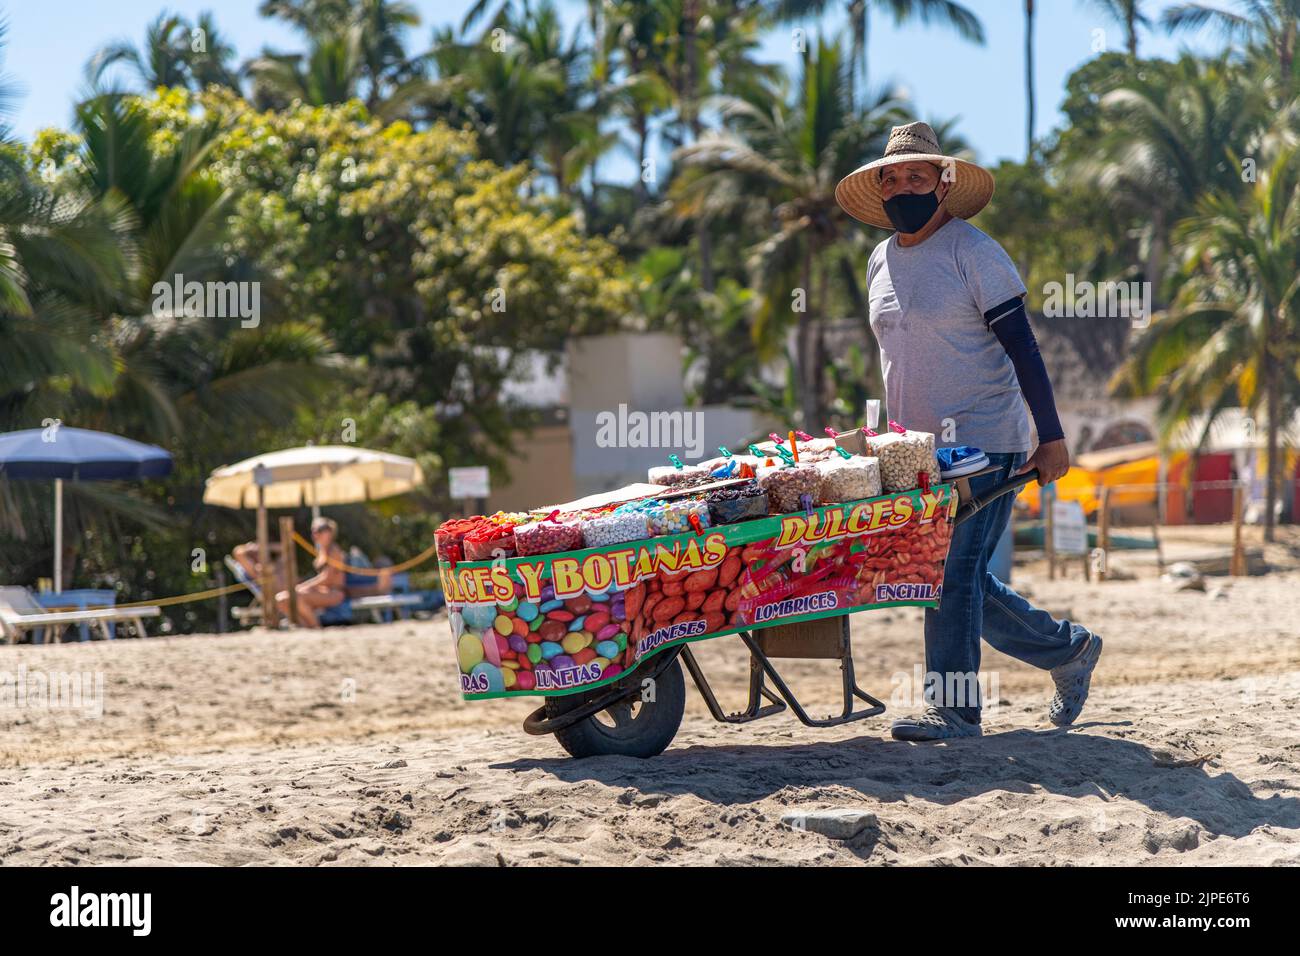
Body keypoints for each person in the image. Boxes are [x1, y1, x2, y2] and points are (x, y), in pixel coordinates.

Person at [835, 121, 1104, 741]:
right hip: (918, 452)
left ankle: (955, 709)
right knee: (953, 574)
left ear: (942, 183)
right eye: (893, 177)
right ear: (880, 187)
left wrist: (1052, 438)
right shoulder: (879, 259)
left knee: (950, 572)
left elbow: (1025, 351)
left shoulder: (973, 253)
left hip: (988, 439)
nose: (904, 186)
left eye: (917, 176)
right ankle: (1068, 650)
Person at [275, 516, 346, 628]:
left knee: (297, 596)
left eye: (320, 530)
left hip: (335, 593)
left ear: (330, 532)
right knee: (280, 599)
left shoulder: (334, 551)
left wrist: (303, 586)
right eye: (314, 530)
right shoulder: (321, 550)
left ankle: (315, 627)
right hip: (321, 591)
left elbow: (327, 578)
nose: (316, 534)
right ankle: (304, 627)